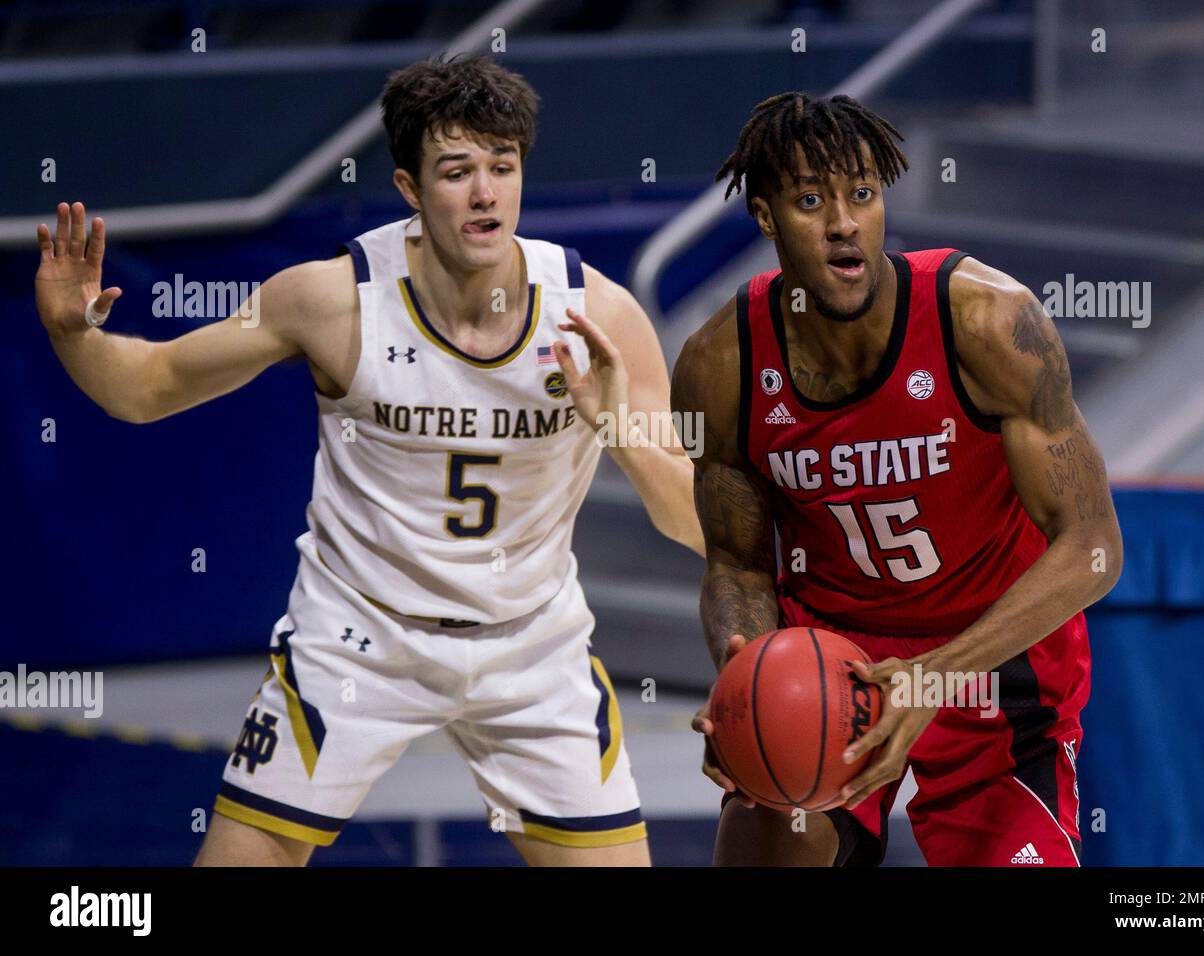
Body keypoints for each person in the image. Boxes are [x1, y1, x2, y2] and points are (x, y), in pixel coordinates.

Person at [34, 54, 702, 867]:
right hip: (359, 635)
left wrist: (620, 426)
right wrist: (76, 334)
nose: (486, 192)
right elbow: (149, 388)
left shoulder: (599, 313)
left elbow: (694, 525)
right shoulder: (330, 299)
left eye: (504, 166)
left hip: (531, 644)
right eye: (457, 172)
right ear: (411, 190)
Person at [671, 91, 1123, 866]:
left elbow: (1092, 548)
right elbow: (737, 565)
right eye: (811, 200)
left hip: (992, 658)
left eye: (862, 194)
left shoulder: (987, 322)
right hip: (832, 662)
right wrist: (744, 684)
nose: (844, 222)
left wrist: (933, 677)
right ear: (766, 217)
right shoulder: (721, 366)